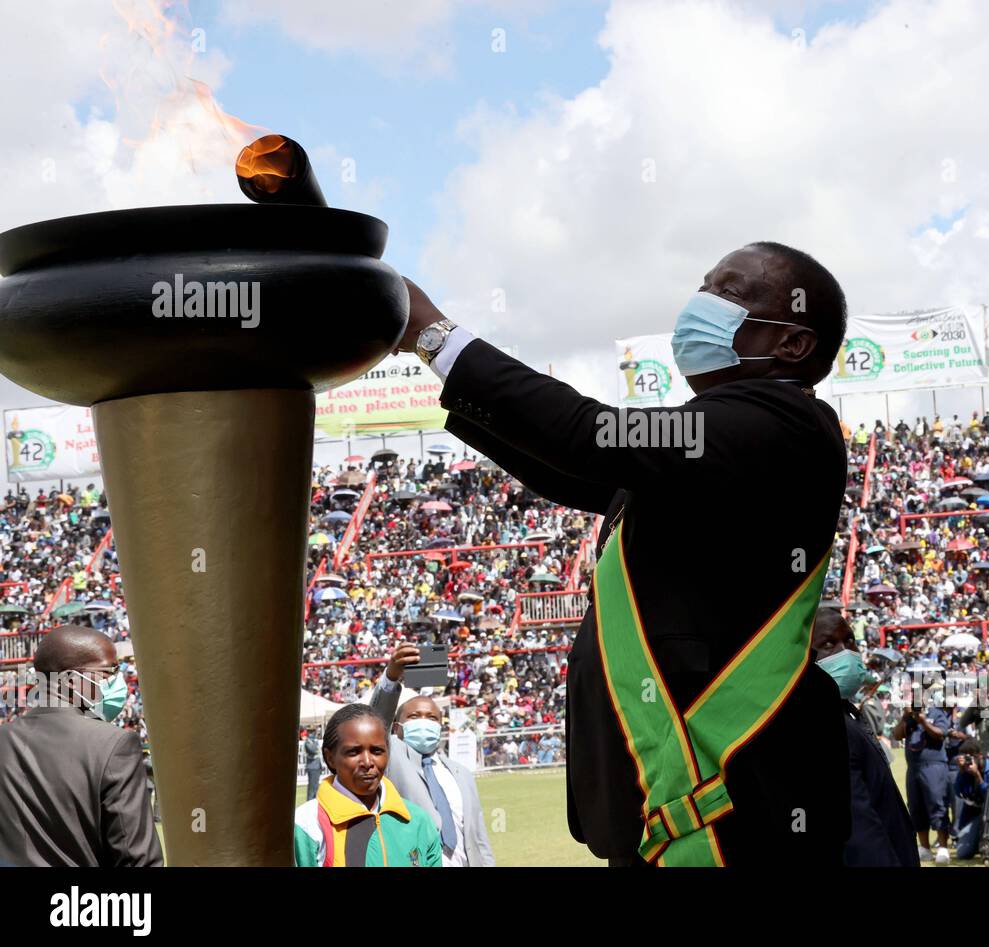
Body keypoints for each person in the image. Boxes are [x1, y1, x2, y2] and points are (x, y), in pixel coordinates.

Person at [399, 242, 851, 866]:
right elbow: (576, 472)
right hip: (672, 792)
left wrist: (436, 336)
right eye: (706, 284)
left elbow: (592, 436)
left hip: (731, 800)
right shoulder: (712, 445)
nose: (701, 304)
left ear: (792, 345)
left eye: (730, 292)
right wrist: (440, 366)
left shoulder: (781, 422)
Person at [0, 625, 161, 866]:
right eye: (109, 673)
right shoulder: (114, 745)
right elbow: (137, 859)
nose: (118, 683)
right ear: (72, 681)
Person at [370, 642, 496, 866]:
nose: (424, 722)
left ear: (441, 726)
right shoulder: (393, 757)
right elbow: (375, 723)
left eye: (432, 718)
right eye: (414, 716)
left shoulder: (462, 774)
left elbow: (479, 838)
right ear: (397, 727)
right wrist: (391, 677)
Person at [813, 608, 917, 866]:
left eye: (849, 641)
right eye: (828, 644)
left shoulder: (843, 713)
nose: (846, 652)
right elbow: (860, 834)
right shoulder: (823, 726)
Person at [293, 703, 442, 867]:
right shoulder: (306, 825)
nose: (367, 762)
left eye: (377, 751)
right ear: (330, 758)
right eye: (353, 752)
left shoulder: (418, 821)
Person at [892, 680, 952, 863]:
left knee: (937, 804)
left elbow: (941, 734)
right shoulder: (908, 717)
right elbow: (896, 735)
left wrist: (924, 721)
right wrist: (905, 717)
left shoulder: (936, 712)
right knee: (916, 807)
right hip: (914, 767)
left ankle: (943, 847)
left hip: (934, 765)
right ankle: (924, 847)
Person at [952, 738, 989, 860]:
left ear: (979, 756)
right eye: (965, 757)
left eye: (971, 757)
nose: (968, 760)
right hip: (974, 816)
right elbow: (959, 793)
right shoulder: (965, 771)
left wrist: (978, 777)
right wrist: (962, 773)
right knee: (963, 853)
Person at [304, 728, 323, 802]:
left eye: (313, 732)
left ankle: (315, 801)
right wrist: (315, 744)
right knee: (312, 787)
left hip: (317, 766)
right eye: (312, 732)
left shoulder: (314, 741)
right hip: (312, 766)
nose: (313, 733)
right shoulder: (308, 742)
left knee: (316, 787)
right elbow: (312, 750)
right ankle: (309, 802)